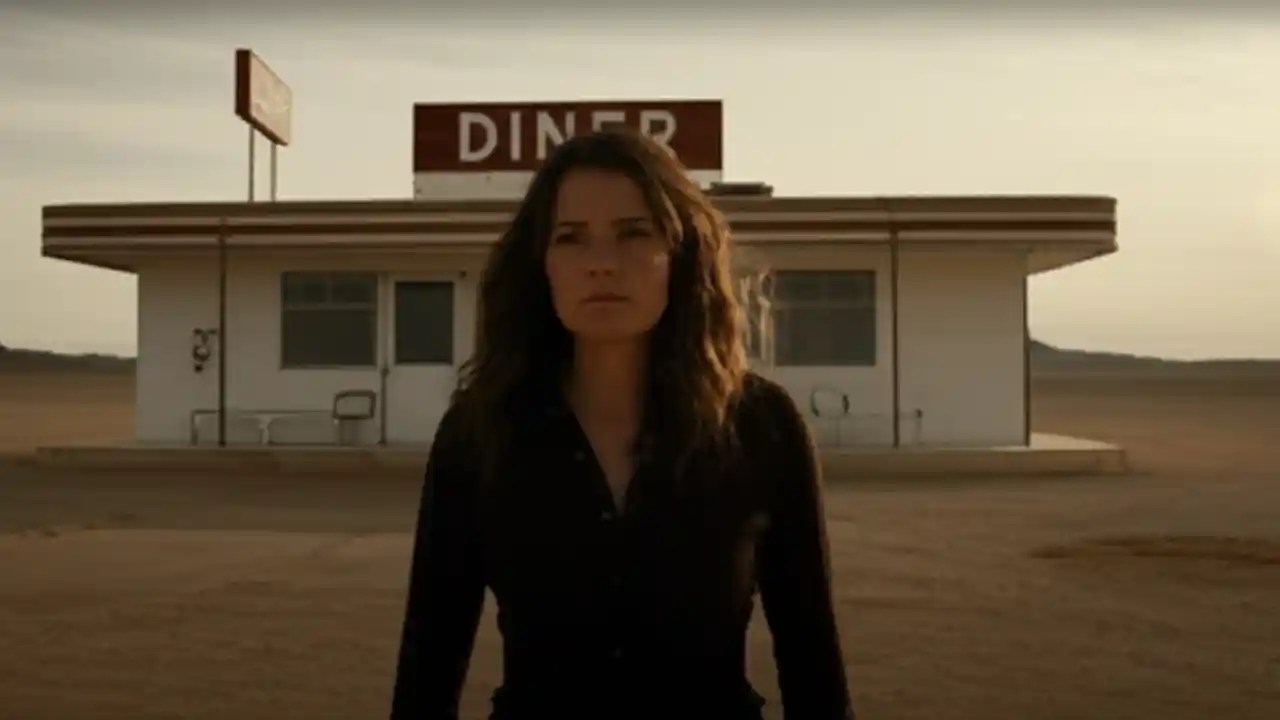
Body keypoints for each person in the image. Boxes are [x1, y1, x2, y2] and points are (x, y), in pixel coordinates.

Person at [389, 127, 855, 720]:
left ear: (679, 254)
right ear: (543, 265)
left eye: (634, 234)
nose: (602, 265)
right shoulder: (480, 433)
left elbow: (812, 657)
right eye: (572, 238)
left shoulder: (761, 426)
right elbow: (429, 662)